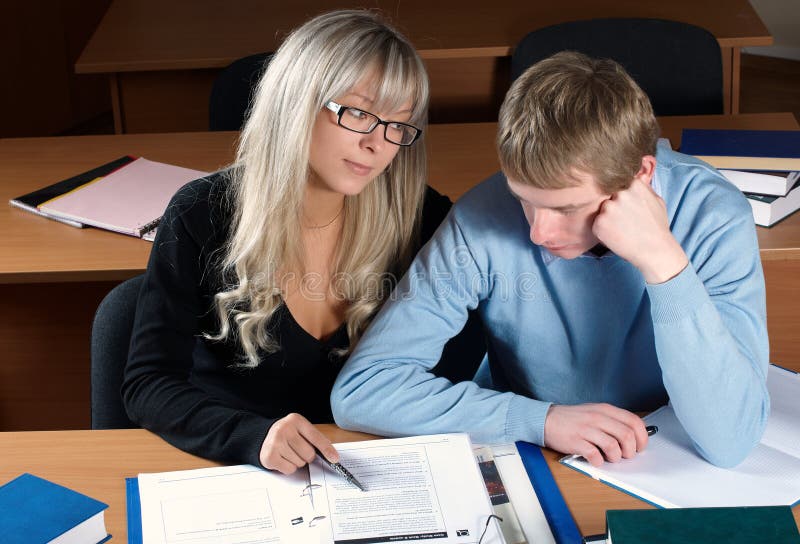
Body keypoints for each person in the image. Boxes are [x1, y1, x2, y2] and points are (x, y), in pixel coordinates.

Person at [332, 51, 770, 469]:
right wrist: (540, 420)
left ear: (640, 177)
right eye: (524, 199)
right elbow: (363, 390)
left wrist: (664, 264)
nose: (539, 233)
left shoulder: (712, 213)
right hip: (541, 454)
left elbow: (730, 441)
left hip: (672, 456)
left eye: (565, 209)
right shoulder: (479, 216)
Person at [122, 9, 483, 475]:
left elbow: (448, 368)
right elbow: (148, 384)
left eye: (398, 125)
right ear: (297, 101)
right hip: (239, 468)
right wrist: (251, 437)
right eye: (358, 113)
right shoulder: (202, 212)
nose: (379, 144)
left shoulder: (422, 217)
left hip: (377, 468)